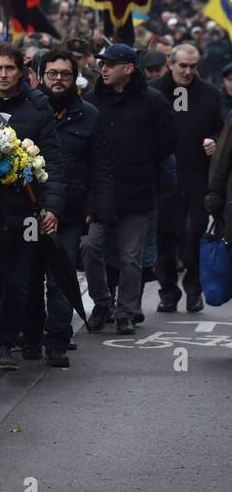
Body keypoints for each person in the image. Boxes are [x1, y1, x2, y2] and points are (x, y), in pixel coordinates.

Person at [0, 43, 66, 370]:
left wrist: (52, 206)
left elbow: (54, 162)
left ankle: (4, 342)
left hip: (24, 210)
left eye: (10, 68)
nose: (3, 75)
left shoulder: (37, 106)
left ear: (22, 72)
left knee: (17, 281)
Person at [82, 44, 176, 334]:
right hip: (100, 192)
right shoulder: (92, 99)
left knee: (130, 257)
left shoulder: (153, 100)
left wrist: (141, 162)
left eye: (111, 64)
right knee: (90, 247)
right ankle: (102, 302)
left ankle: (126, 311)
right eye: (102, 63)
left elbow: (166, 143)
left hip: (137, 190)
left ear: (129, 68)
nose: (104, 69)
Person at [38, 50, 113, 367]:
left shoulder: (90, 115)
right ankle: (28, 337)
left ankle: (57, 340)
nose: (58, 80)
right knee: (26, 279)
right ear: (42, 75)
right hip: (31, 208)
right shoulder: (31, 110)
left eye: (65, 74)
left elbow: (101, 166)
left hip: (70, 212)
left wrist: (97, 207)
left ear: (74, 78)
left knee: (60, 277)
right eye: (53, 74)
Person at [151, 44, 222, 313]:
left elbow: (219, 128)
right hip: (163, 177)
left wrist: (213, 142)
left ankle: (194, 289)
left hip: (197, 176)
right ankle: (168, 291)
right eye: (183, 66)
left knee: (195, 232)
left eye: (193, 66)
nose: (188, 71)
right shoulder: (155, 91)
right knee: (165, 236)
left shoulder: (209, 94)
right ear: (171, 63)